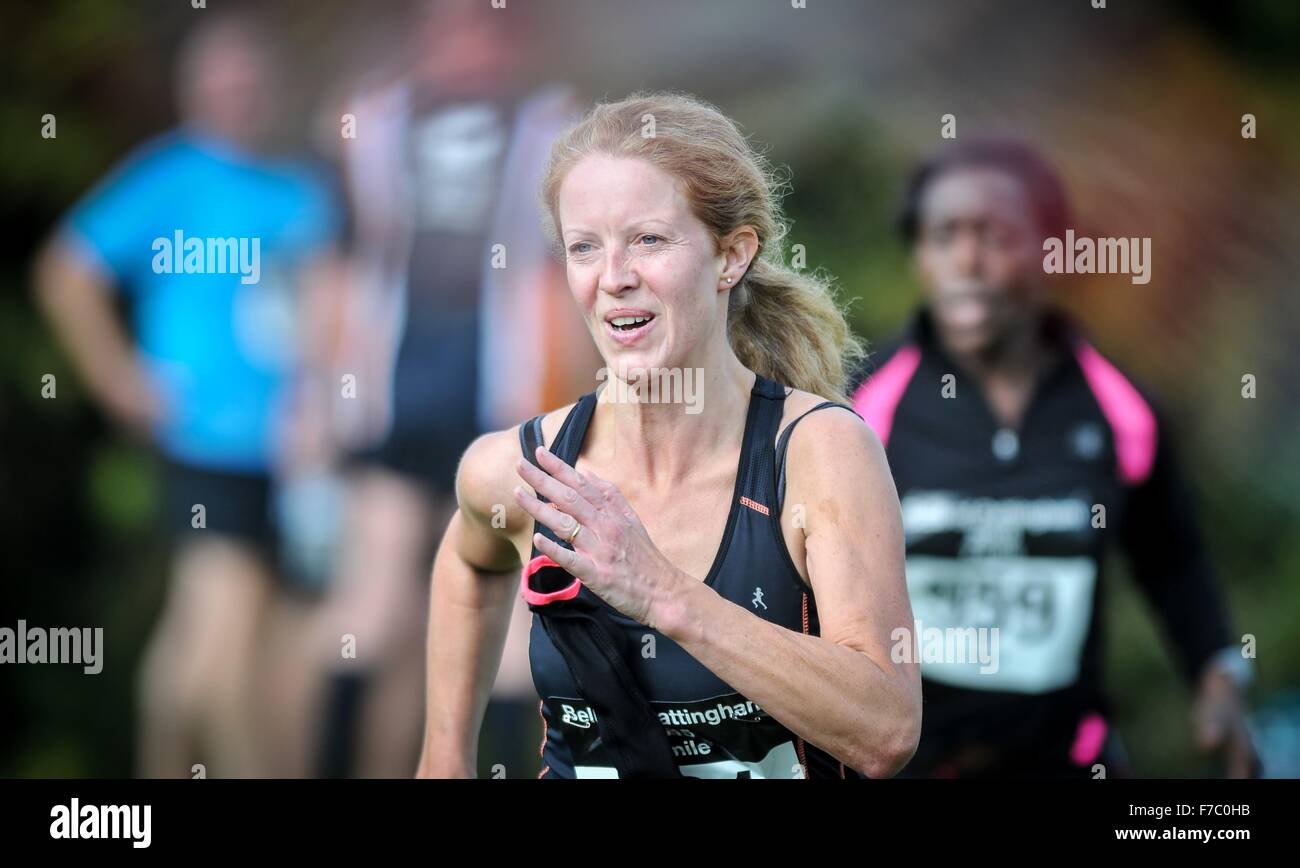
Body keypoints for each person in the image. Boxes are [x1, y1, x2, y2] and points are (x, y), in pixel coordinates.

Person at [415, 92, 921, 779]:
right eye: (584, 248)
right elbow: (471, 564)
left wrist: (664, 593)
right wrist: (444, 757)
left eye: (649, 240)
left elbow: (886, 728)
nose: (614, 278)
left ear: (731, 256)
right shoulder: (520, 471)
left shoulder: (816, 454)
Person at [852, 139, 1259, 777]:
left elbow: (1174, 562)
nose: (967, 260)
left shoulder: (1121, 410)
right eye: (943, 235)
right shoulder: (859, 404)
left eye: (997, 235)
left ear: (1053, 248)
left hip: (1069, 761)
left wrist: (1219, 678)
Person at [32, 13, 340, 777]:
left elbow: (330, 312)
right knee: (220, 641)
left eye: (250, 79)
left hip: (295, 452)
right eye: (221, 79)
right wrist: (118, 378)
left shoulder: (302, 190)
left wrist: (328, 402)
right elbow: (65, 272)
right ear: (193, 88)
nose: (237, 93)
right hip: (205, 440)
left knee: (226, 647)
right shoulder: (169, 176)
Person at [312, 0, 594, 778]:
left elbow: (561, 280)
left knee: (504, 621)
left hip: (501, 401)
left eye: (481, 23)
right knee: (371, 609)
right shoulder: (370, 121)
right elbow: (336, 268)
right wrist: (316, 398)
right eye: (449, 23)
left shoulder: (551, 125)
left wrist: (573, 406)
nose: (463, 40)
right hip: (393, 401)